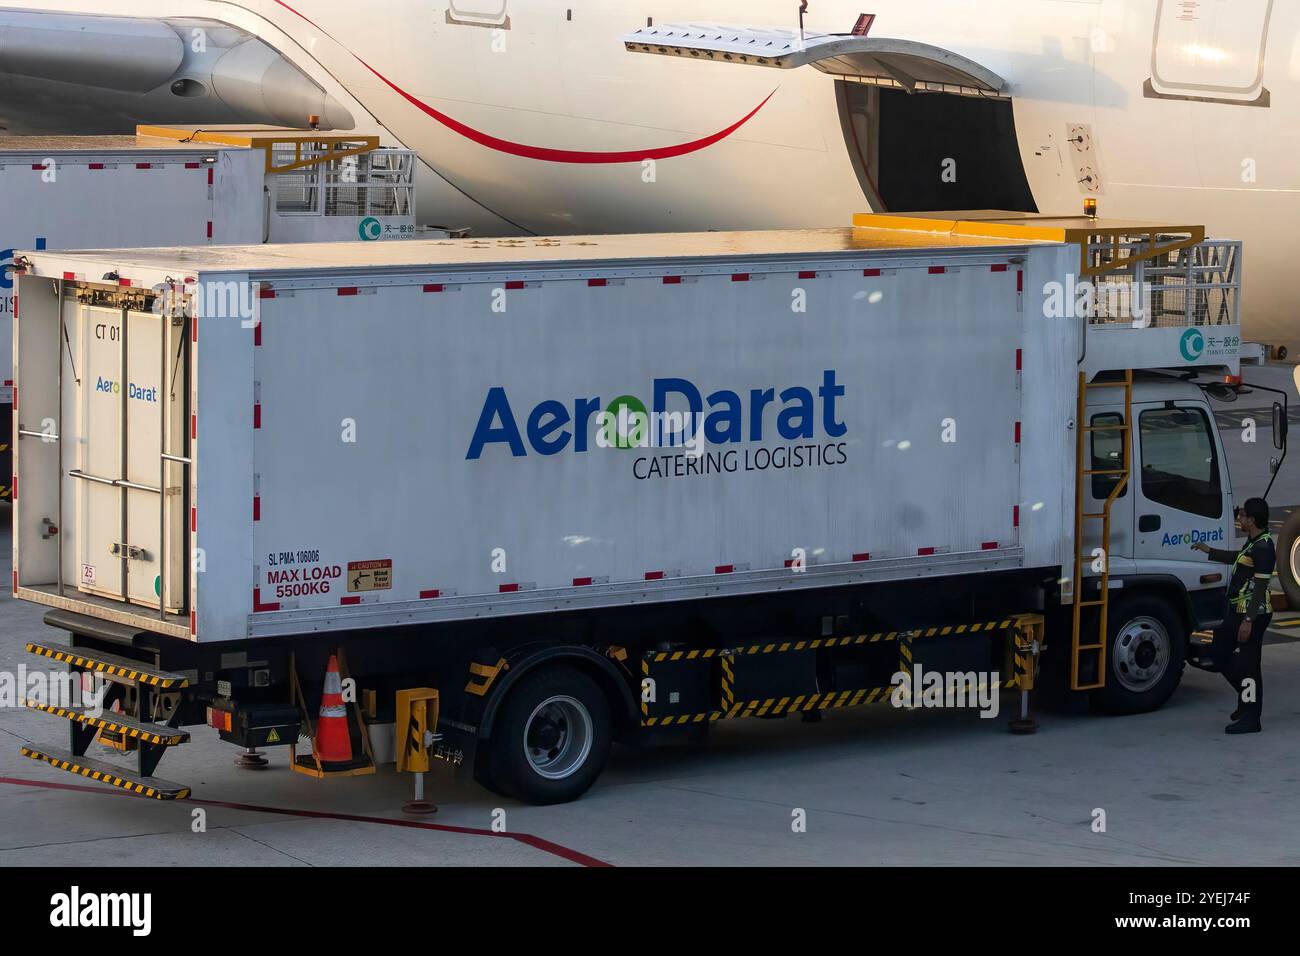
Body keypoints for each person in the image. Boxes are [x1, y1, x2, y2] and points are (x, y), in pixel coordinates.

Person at [1191, 497, 1274, 734]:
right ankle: (1247, 699)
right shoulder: (1253, 542)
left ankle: (1251, 717)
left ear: (1253, 519)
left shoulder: (1264, 548)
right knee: (1217, 653)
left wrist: (1248, 621)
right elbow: (1239, 559)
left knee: (1249, 666)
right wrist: (1210, 551)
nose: (1239, 518)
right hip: (1236, 612)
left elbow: (1260, 588)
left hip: (1252, 614)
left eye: (1242, 514)